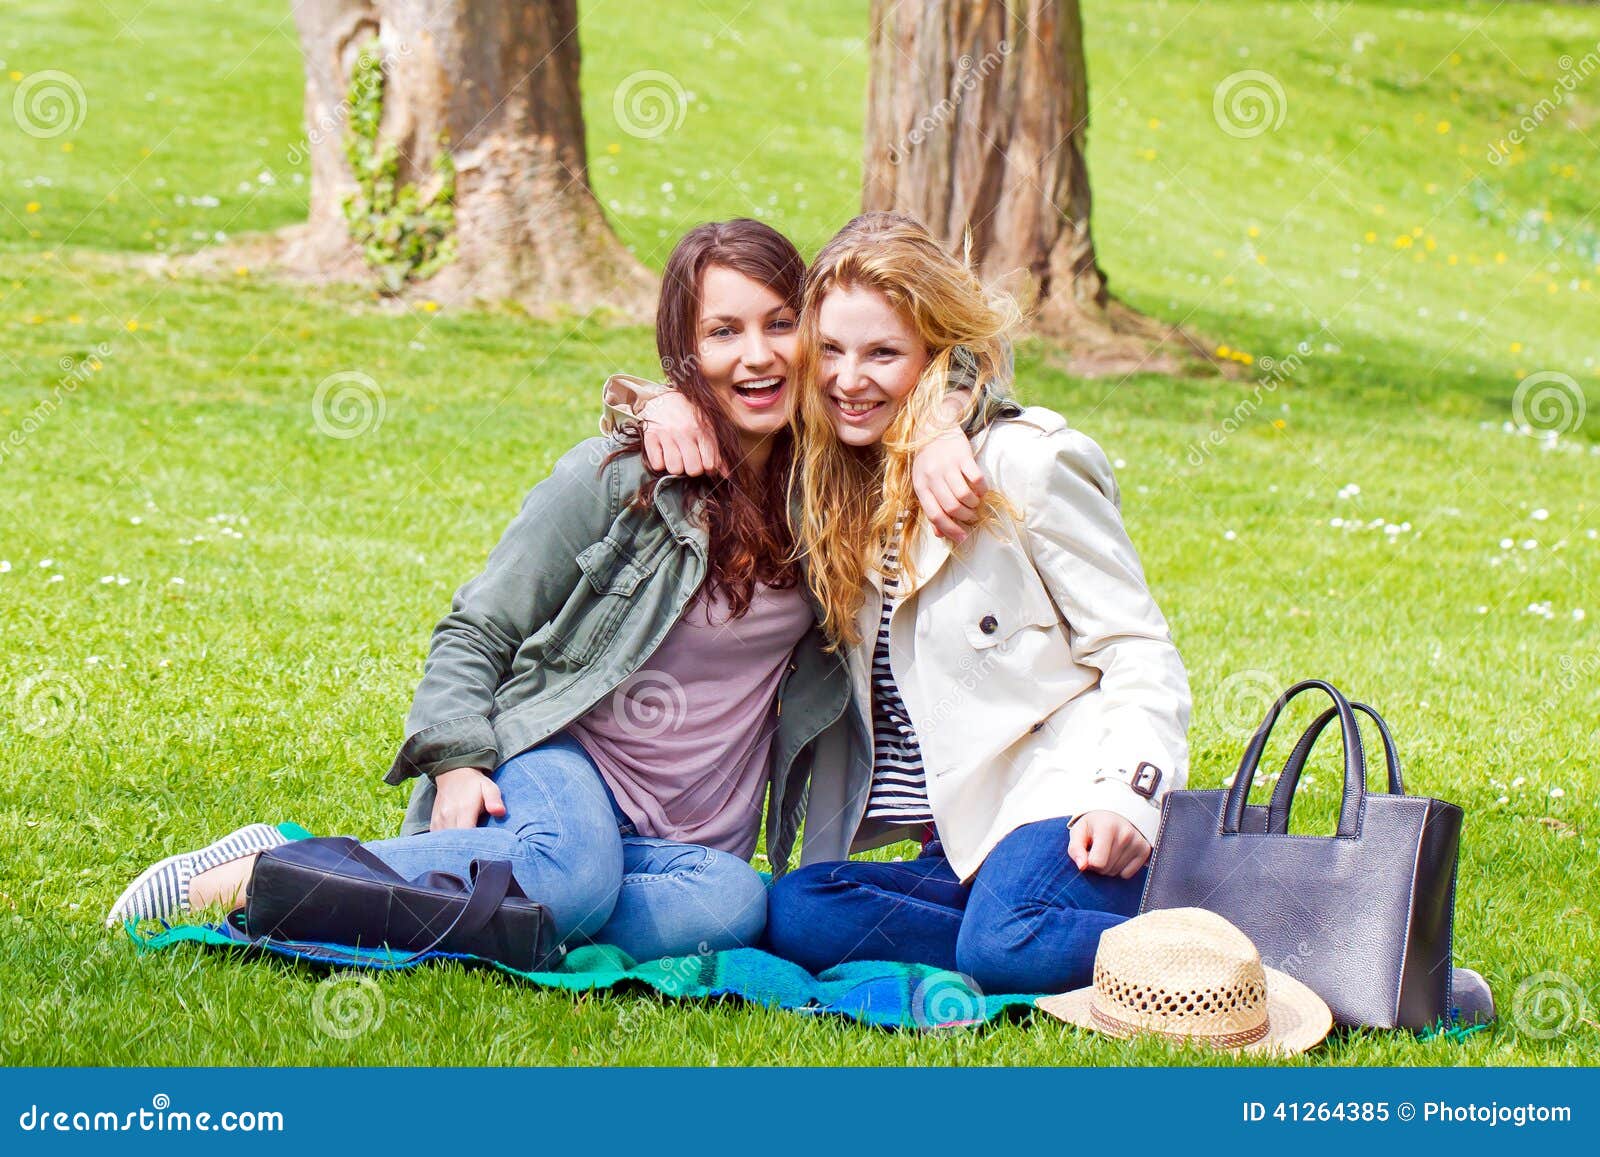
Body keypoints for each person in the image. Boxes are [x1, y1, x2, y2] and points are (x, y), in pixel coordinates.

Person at [106, 219, 859, 963]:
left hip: (688, 845)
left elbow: (940, 361)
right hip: (561, 765)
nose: (758, 355)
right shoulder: (619, 477)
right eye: (723, 331)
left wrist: (954, 434)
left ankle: (466, 887)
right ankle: (260, 873)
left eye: (781, 323)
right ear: (686, 354)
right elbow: (479, 626)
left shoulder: (833, 491)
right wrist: (457, 759)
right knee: (571, 875)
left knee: (732, 904)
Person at [622, 212, 1192, 993]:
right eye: (830, 350)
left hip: (1064, 799)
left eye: (884, 352)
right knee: (800, 911)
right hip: (963, 840)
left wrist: (1127, 795)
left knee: (1004, 949)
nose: (849, 380)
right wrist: (665, 405)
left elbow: (1137, 649)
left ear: (935, 352)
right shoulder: (828, 483)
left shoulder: (1024, 467)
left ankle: (1218, 929)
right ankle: (1018, 921)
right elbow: (722, 403)